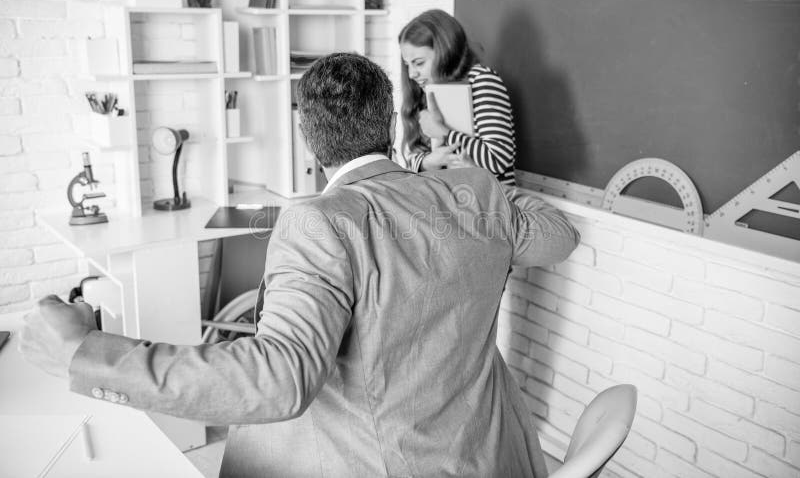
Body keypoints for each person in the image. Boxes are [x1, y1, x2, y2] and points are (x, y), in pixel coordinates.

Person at [20, 53, 579, 477]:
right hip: (488, 455)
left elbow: (282, 380)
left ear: (307, 136)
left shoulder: (318, 222)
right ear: (388, 123)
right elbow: (559, 235)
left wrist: (83, 354)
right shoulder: (473, 194)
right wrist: (469, 191)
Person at [399, 9, 516, 185]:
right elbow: (411, 160)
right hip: (447, 197)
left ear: (445, 53)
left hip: (487, 198)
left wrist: (443, 132)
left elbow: (498, 160)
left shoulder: (482, 81)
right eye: (407, 65)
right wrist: (429, 162)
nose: (411, 74)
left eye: (419, 63)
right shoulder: (424, 90)